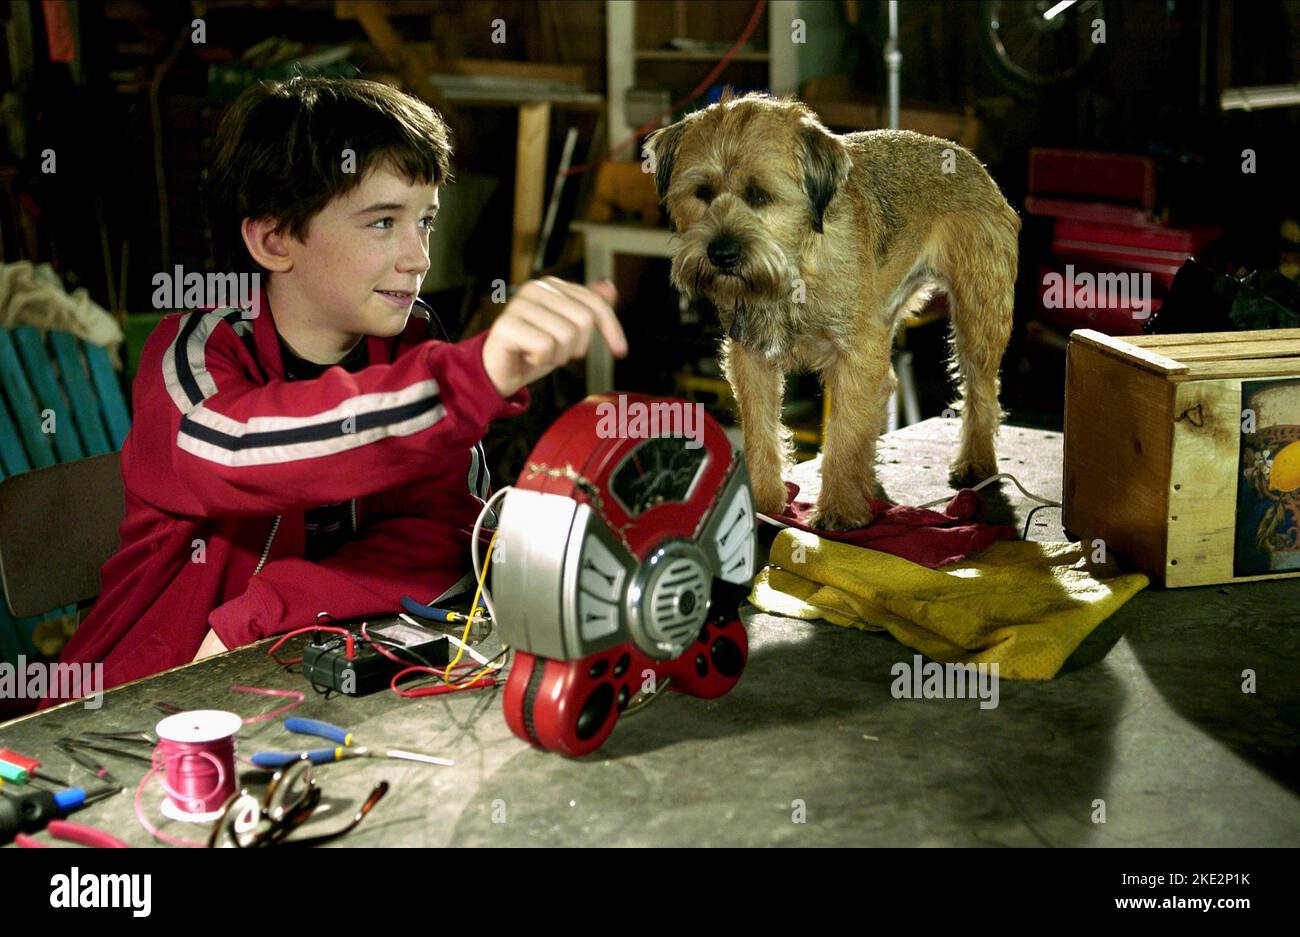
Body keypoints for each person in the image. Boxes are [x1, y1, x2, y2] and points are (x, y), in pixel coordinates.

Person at [46, 77, 626, 700]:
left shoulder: (411, 340)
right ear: (274, 240)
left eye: (424, 220)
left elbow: (450, 533)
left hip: (299, 670)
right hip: (136, 699)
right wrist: (471, 379)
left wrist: (270, 609)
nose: (419, 257)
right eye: (382, 222)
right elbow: (249, 450)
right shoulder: (195, 352)